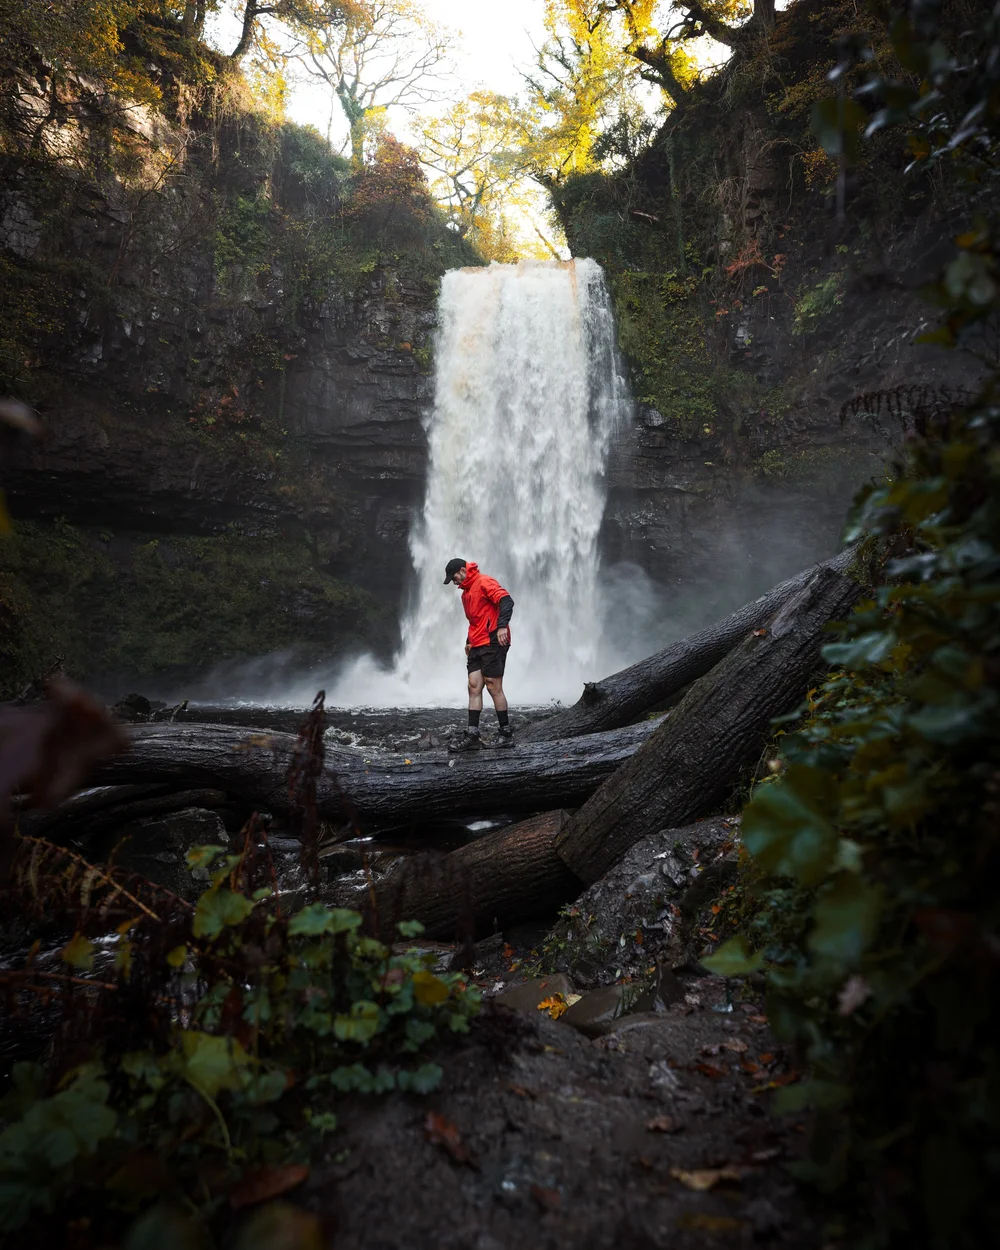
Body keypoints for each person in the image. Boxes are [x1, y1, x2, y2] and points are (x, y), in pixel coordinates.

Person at [443, 557, 515, 751]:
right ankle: (473, 735)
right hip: (476, 643)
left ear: (462, 570)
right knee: (473, 686)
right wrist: (468, 641)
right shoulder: (465, 594)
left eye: (454, 577)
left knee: (493, 686)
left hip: (492, 640)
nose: (454, 582)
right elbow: (475, 621)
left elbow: (506, 601)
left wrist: (502, 627)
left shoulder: (484, 582)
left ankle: (506, 734)